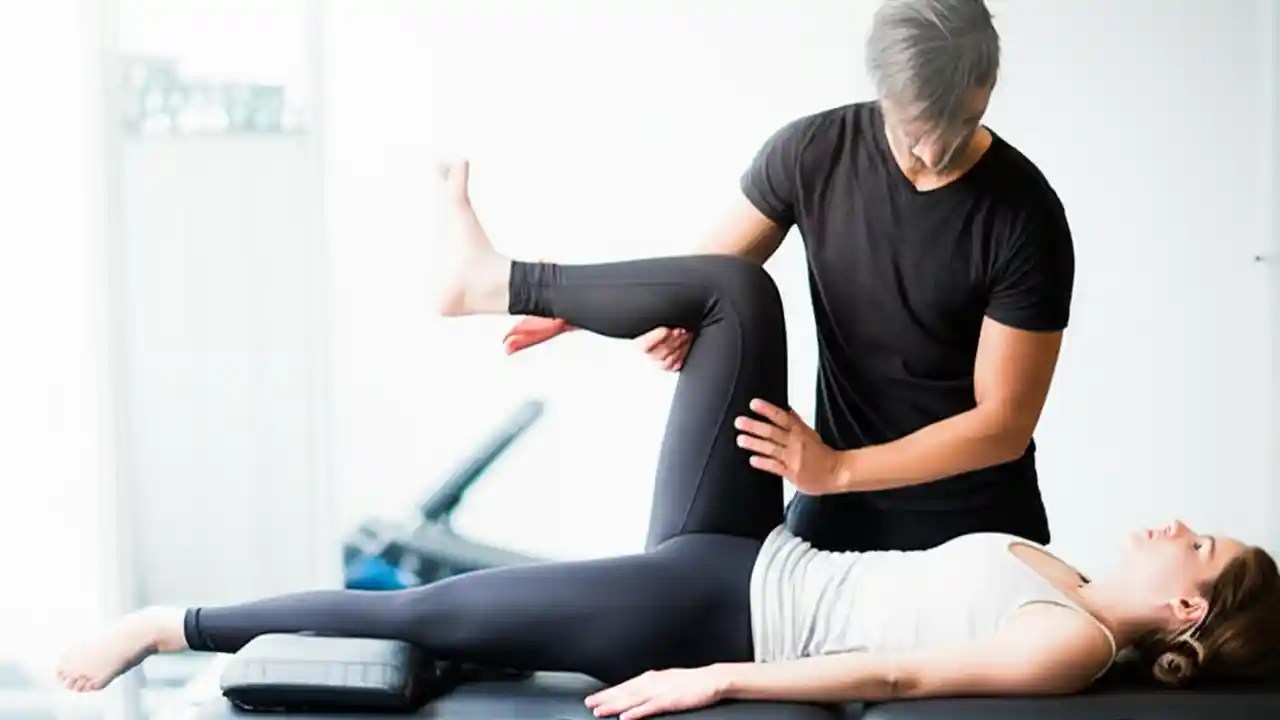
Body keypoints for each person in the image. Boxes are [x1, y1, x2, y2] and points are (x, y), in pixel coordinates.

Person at [58, 163, 1280, 720]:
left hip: (716, 615)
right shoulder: (1052, 567)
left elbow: (896, 677)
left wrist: (719, 678)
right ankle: (496, 281)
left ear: (1186, 610)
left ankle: (168, 624)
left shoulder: (1067, 647)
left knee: (435, 612)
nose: (1179, 525)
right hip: (751, 545)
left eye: (1201, 544)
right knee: (734, 292)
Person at [503, 0, 1074, 554]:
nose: (934, 150)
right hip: (839, 512)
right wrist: (582, 306)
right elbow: (701, 280)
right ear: (884, 90)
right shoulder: (813, 153)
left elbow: (1003, 424)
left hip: (973, 532)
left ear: (989, 86)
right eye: (915, 128)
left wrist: (838, 468)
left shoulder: (1026, 217)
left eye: (964, 122)